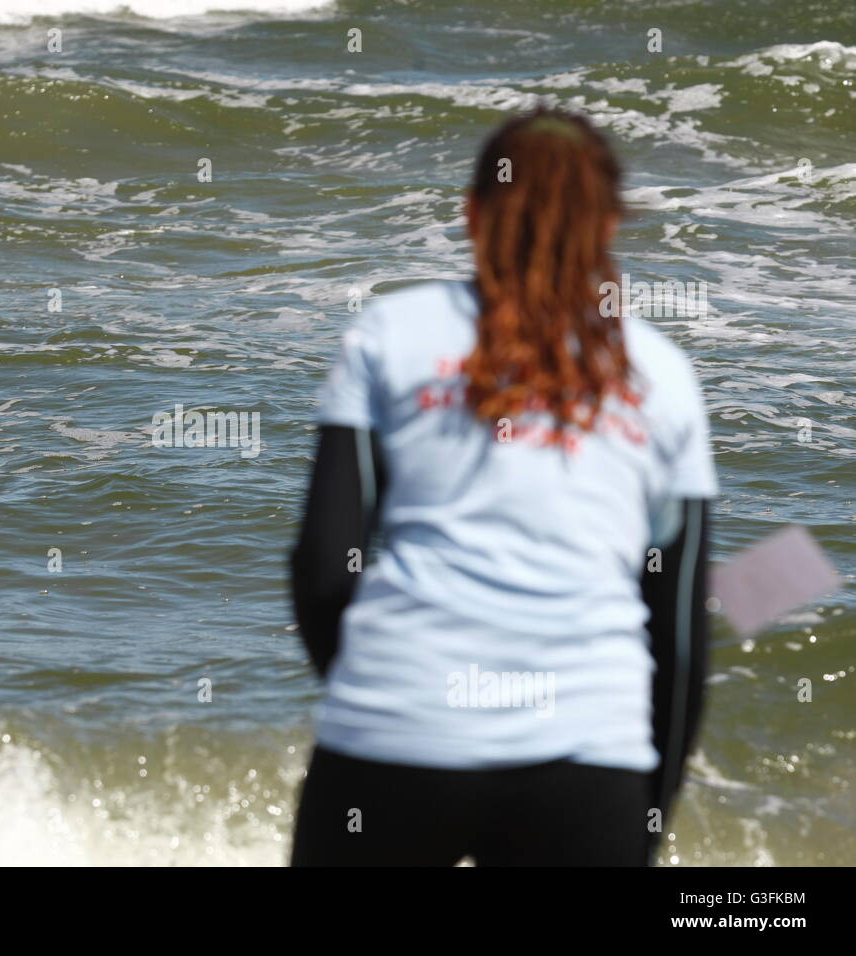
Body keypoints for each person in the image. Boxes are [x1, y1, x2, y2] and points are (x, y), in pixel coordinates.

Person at [288, 106, 717, 867]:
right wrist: (647, 810)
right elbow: (679, 629)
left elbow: (324, 569)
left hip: (393, 739)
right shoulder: (666, 378)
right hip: (590, 760)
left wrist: (382, 697)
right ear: (610, 223)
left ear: (472, 212)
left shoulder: (392, 333)